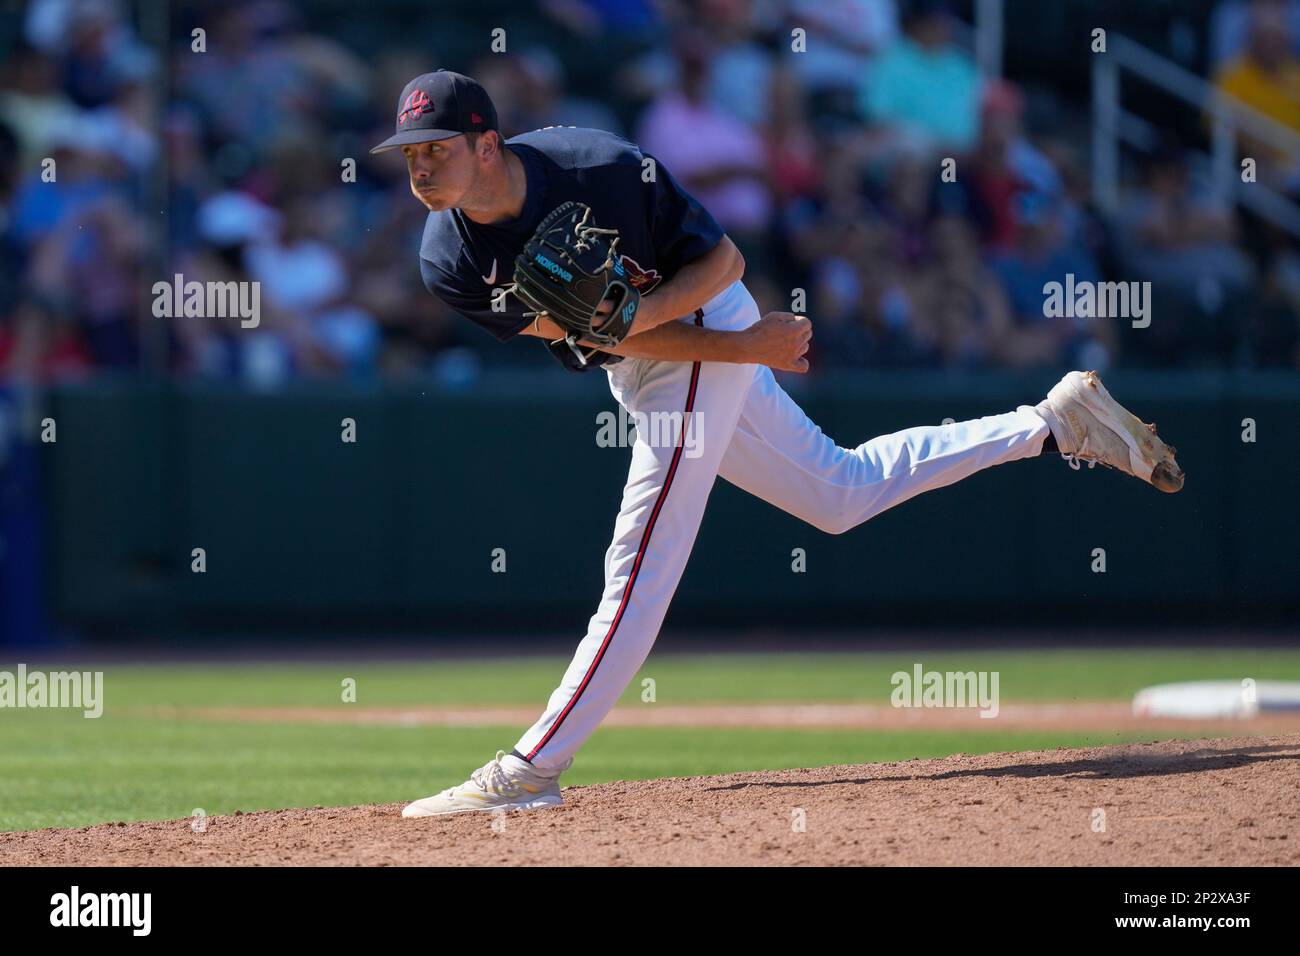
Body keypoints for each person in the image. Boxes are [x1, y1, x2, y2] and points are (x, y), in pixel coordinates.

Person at [372, 71, 1184, 816]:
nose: (420, 165)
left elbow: (724, 260)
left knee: (640, 559)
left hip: (703, 316)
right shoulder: (448, 257)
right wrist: (730, 348)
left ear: (487, 143)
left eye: (436, 147)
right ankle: (1051, 424)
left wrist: (721, 338)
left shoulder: (597, 165)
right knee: (839, 494)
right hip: (659, 359)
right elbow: (588, 337)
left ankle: (531, 770)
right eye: (411, 152)